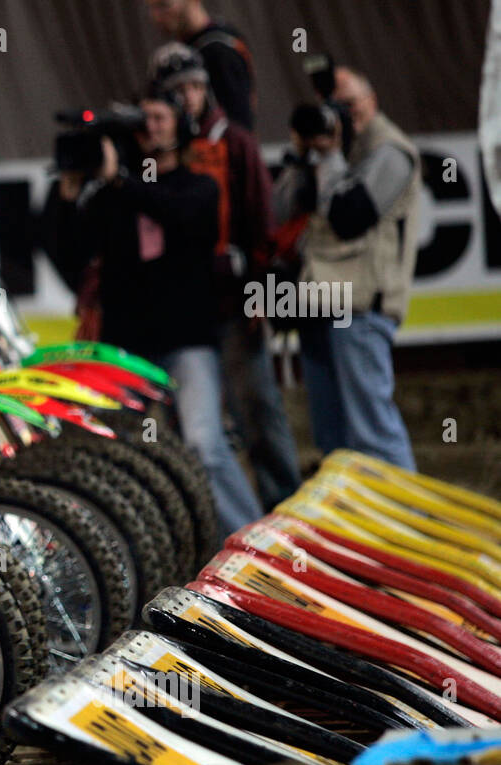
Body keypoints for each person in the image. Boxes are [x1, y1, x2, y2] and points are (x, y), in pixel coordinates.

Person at [46, 88, 262, 535]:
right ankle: (130, 550)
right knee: (122, 449)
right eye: (143, 120)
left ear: (181, 127)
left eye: (160, 118)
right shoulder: (111, 195)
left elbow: (183, 217)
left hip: (187, 339)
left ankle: (249, 538)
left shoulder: (197, 186)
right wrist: (68, 194)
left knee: (204, 442)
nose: (151, 127)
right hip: (127, 344)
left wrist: (121, 181)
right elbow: (69, 251)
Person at [151, 43, 301, 511]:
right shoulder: (154, 149)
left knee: (257, 411)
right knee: (190, 432)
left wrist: (262, 292)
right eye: (179, 90)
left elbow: (262, 223)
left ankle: (284, 513)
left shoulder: (233, 141)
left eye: (196, 86)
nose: (190, 97)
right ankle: (207, 526)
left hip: (235, 305)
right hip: (180, 313)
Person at [273, 67, 418, 471]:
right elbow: (280, 209)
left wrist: (332, 157)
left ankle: (403, 521)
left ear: (372, 101)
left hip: (359, 308)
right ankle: (349, 530)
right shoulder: (327, 153)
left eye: (349, 104)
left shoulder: (390, 150)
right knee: (332, 440)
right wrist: (304, 156)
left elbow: (349, 216)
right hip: (317, 304)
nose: (341, 115)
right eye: (332, 107)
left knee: (374, 433)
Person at [146, 0, 256, 131]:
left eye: (164, 5)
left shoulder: (218, 50)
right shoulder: (189, 45)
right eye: (151, 8)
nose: (156, 17)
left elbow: (239, 128)